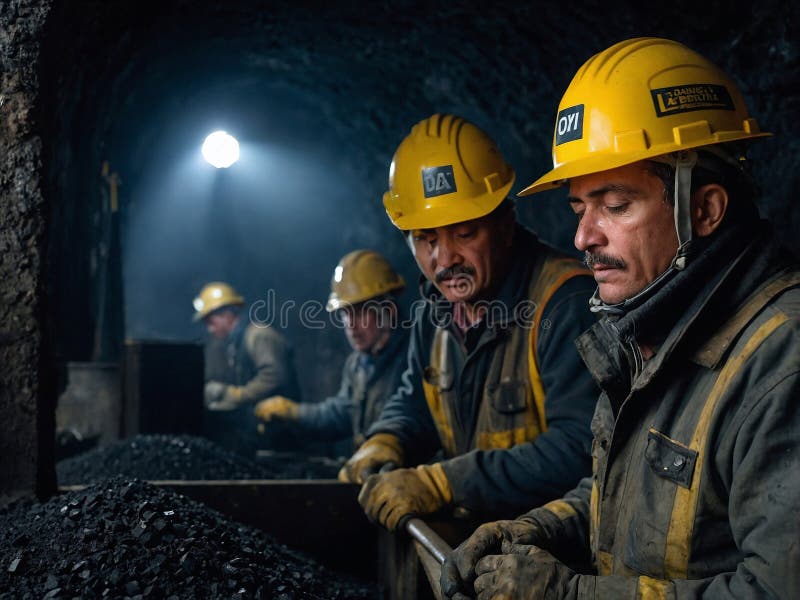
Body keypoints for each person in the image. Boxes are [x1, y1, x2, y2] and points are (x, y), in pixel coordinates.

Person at [442, 37, 800, 600]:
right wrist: (538, 528)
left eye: (615, 206)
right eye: (579, 209)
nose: (583, 237)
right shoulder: (651, 329)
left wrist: (571, 595)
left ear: (703, 209)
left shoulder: (782, 361)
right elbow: (627, 490)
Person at [341, 113, 599, 530]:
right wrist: (387, 437)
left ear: (504, 225)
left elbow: (581, 447)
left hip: (548, 551)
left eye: (464, 233)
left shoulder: (565, 302)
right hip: (470, 543)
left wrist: (447, 482)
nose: (445, 260)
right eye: (426, 240)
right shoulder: (434, 312)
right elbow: (416, 401)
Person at [253, 249, 410, 451]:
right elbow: (341, 415)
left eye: (360, 312)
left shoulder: (412, 358)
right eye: (345, 313)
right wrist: (294, 412)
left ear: (388, 310)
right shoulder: (357, 364)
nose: (351, 324)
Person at [193, 281, 302, 454]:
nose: (210, 329)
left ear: (227, 315)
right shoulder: (236, 342)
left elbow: (274, 376)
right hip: (264, 429)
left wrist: (235, 395)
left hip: (283, 429)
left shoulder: (259, 335)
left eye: (211, 322)